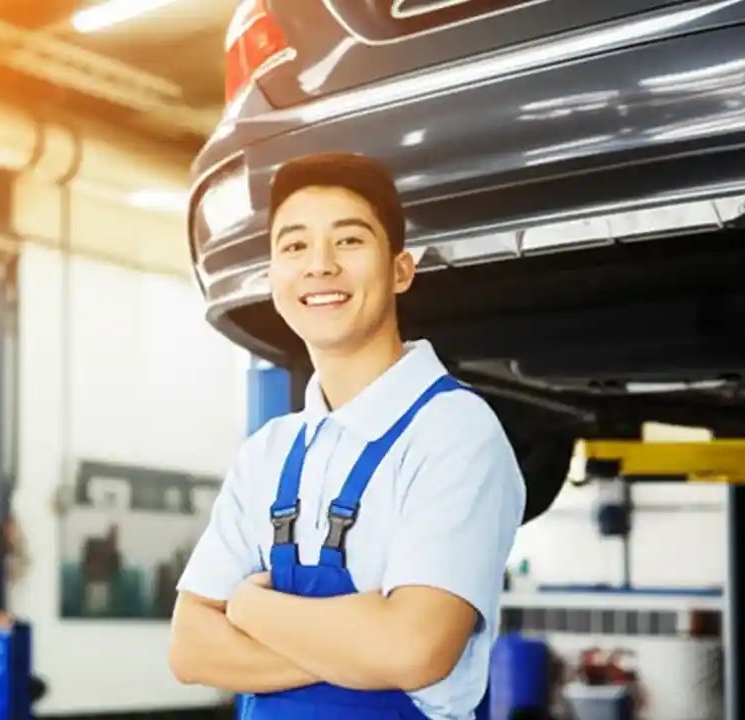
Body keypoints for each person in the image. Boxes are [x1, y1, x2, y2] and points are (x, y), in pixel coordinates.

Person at [168, 152, 526, 719]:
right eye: (294, 246)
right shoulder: (269, 452)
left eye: (349, 241)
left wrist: (248, 609)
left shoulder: (455, 432)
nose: (320, 266)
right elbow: (189, 648)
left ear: (401, 270)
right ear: (273, 276)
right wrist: (361, 645)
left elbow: (415, 649)